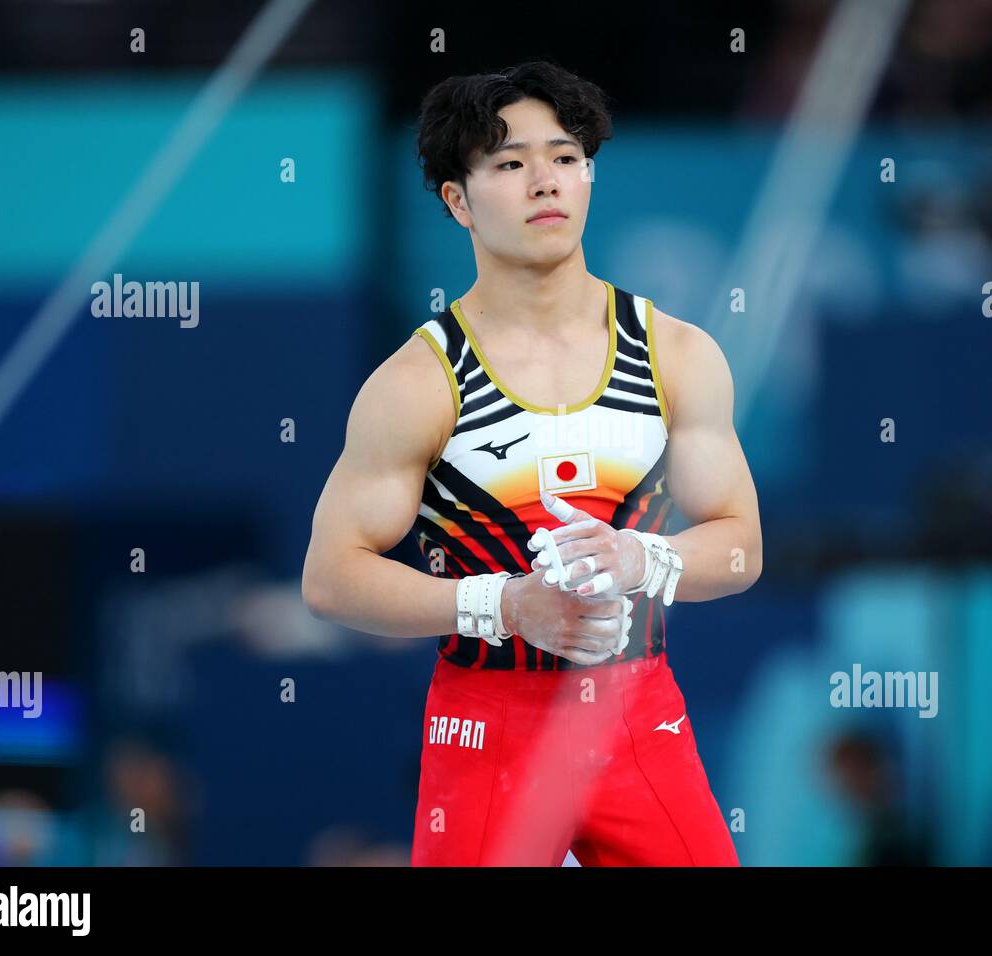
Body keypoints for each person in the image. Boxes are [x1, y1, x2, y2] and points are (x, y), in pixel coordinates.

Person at [302, 61, 762, 866]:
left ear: (589, 176)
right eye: (510, 164)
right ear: (458, 200)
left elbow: (741, 549)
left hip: (634, 712)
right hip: (489, 720)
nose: (544, 181)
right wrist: (507, 606)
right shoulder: (418, 385)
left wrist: (640, 557)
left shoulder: (678, 355)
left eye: (564, 157)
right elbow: (330, 578)